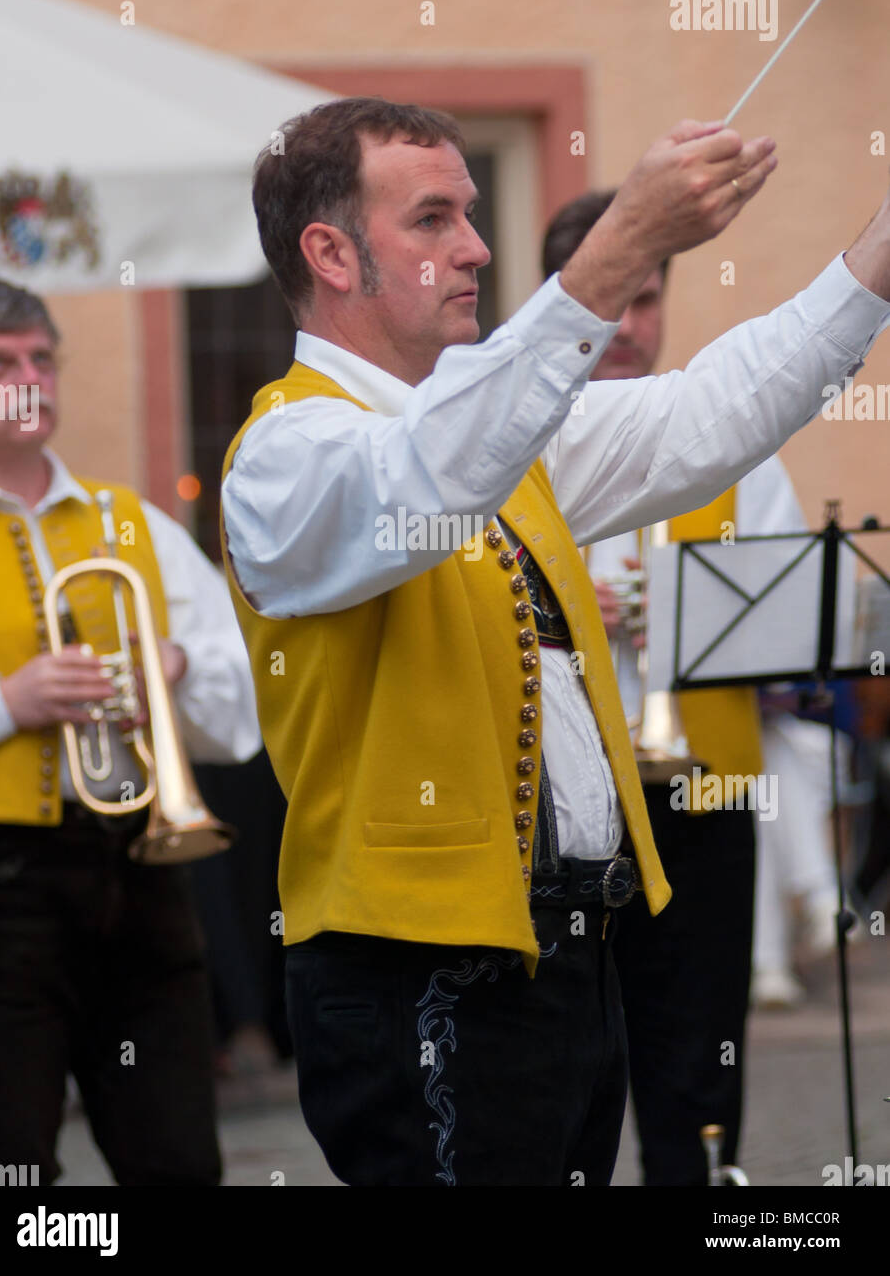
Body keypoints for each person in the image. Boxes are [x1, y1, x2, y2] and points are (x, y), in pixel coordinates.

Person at [221, 96, 890, 1187]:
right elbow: (426, 477)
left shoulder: (496, 434)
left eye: (470, 216)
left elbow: (710, 409)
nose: (474, 249)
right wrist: (622, 241)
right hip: (418, 974)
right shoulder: (285, 452)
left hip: (566, 954)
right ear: (330, 253)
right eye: (433, 219)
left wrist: (875, 254)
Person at [0, 278, 260, 1186]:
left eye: (42, 359)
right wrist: (5, 703)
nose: (31, 379)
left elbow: (245, 697)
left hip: (139, 868)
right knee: (4, 1164)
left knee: (175, 1154)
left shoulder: (131, 521)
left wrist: (172, 669)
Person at [542, 188, 809, 1182]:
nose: (628, 323)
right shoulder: (507, 448)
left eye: (647, 298)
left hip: (701, 796)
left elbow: (789, 632)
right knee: (564, 1075)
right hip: (565, 816)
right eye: (610, 295)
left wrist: (683, 613)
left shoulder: (735, 446)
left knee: (696, 1073)